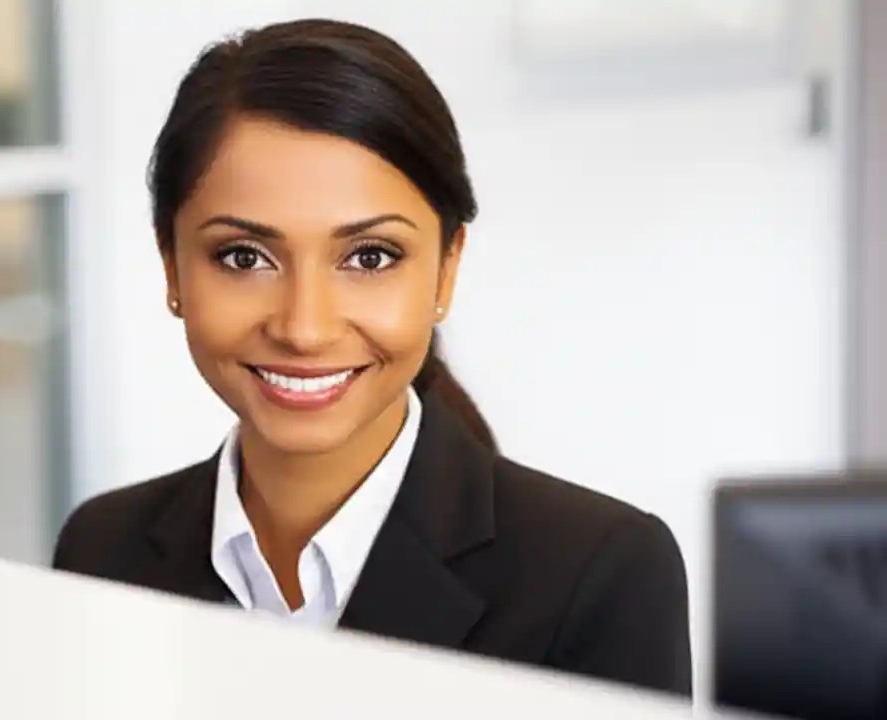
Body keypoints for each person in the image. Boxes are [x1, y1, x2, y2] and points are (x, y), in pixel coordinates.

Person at [53, 18, 691, 696]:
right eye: (244, 257)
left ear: (446, 271)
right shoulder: (102, 551)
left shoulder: (597, 575)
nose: (304, 327)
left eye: (369, 257)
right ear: (172, 269)